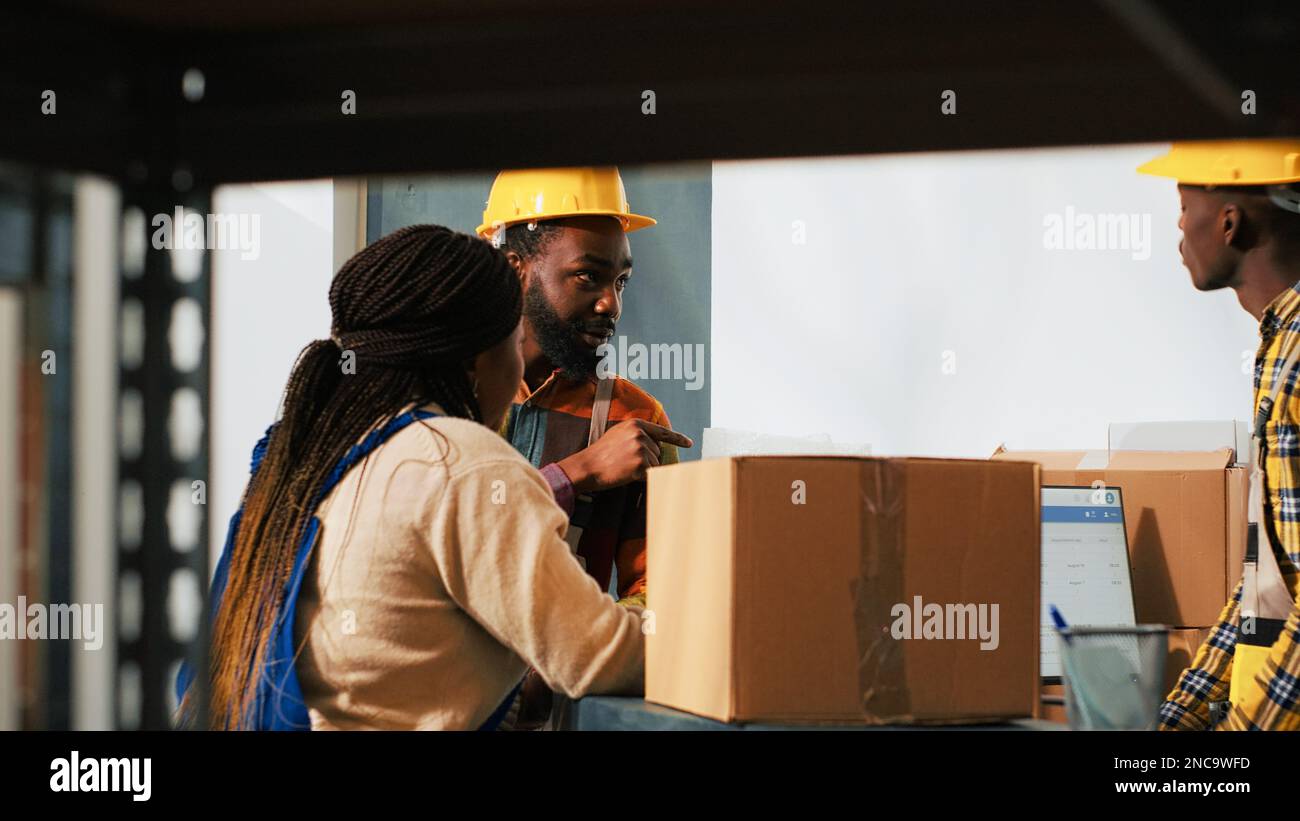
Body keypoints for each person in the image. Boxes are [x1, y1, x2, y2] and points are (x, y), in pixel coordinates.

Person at [176, 224, 645, 730]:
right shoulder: (461, 461)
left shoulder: (310, 448)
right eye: (514, 342)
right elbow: (600, 656)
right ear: (474, 361)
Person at [476, 168, 693, 726]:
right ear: (514, 267)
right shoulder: (451, 404)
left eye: (620, 281)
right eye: (587, 277)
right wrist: (582, 471)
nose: (610, 305)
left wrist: (593, 636)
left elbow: (663, 586)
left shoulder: (637, 420)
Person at [1139, 139, 1300, 729]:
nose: (1180, 228)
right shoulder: (1279, 344)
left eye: (1184, 205)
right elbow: (1268, 585)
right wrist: (1180, 721)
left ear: (1230, 222)